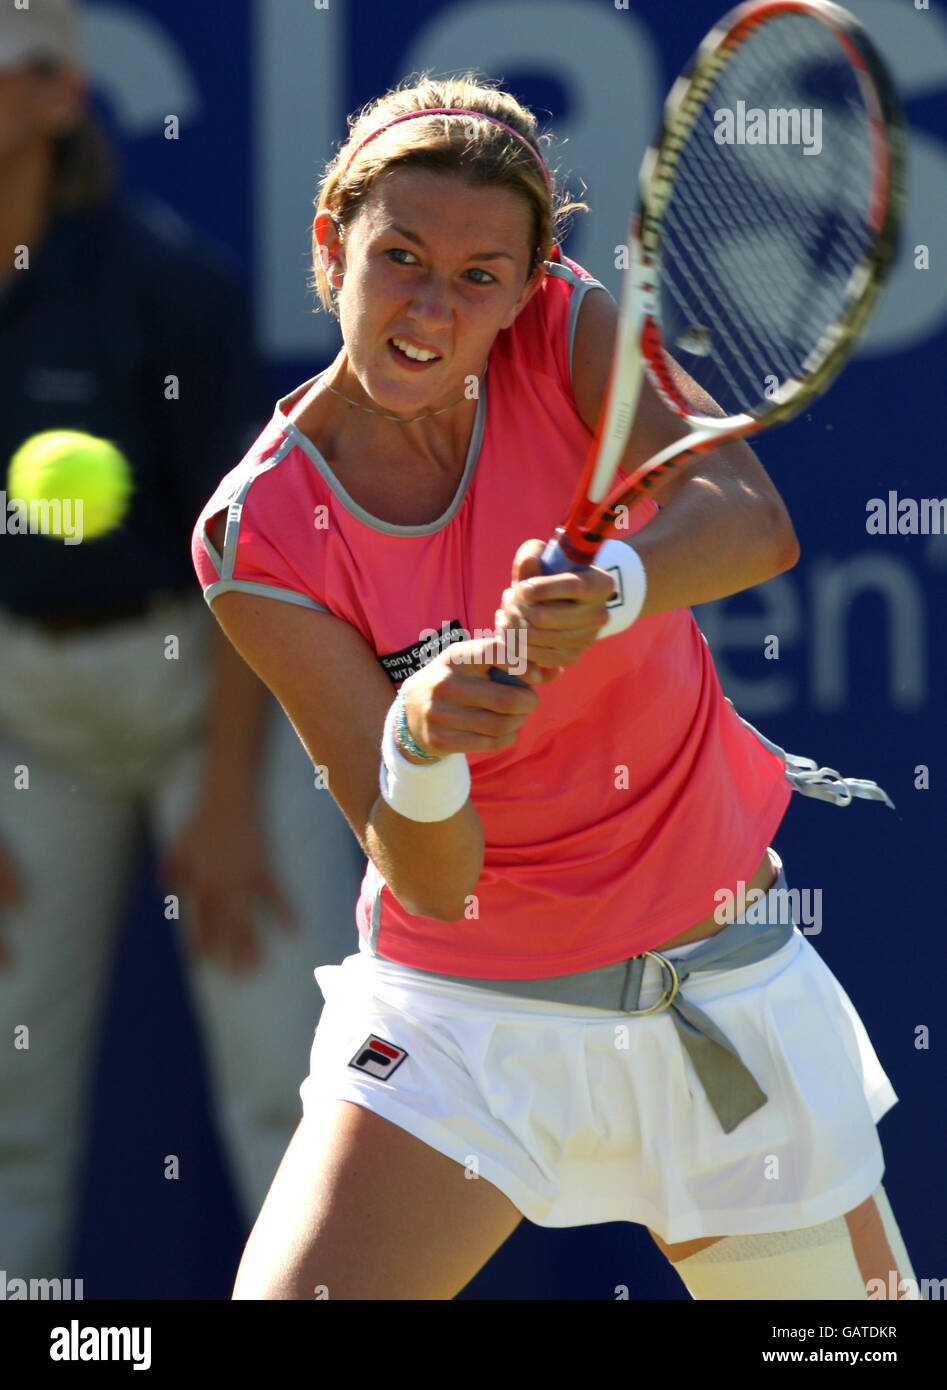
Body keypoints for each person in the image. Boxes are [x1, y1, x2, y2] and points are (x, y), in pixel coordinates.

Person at [192, 73, 916, 1302]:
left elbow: (750, 520)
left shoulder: (570, 332)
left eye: (481, 276)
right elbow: (430, 870)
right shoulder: (256, 534)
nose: (431, 305)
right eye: (399, 255)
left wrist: (619, 585)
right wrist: (420, 743)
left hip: (716, 991)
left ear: (527, 288)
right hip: (456, 1029)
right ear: (332, 245)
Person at [0, 0, 366, 1284]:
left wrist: (225, 799)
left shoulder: (168, 288)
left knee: (293, 1074)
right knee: (7, 1089)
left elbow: (257, 573)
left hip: (224, 692)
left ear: (51, 98)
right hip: (21, 719)